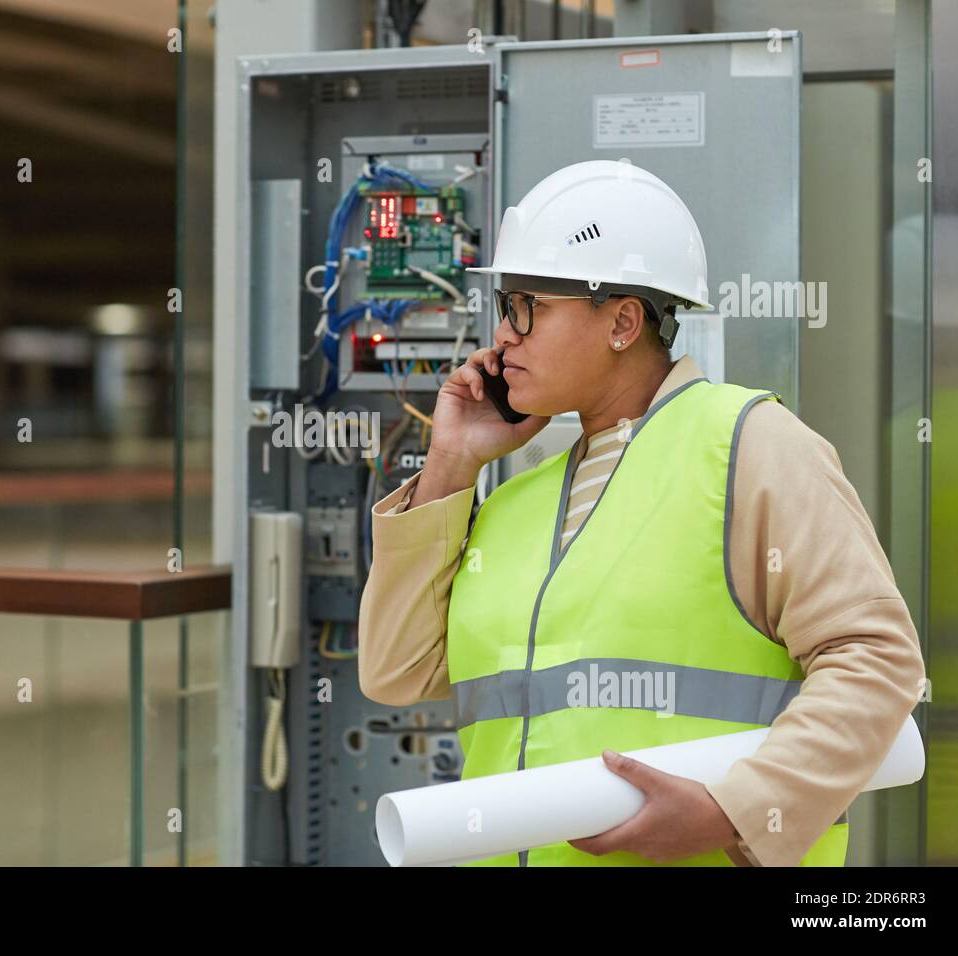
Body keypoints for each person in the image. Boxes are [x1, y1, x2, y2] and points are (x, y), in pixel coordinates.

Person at [357, 160, 925, 867]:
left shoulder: (751, 446)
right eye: (506, 306)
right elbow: (396, 674)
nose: (503, 336)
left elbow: (877, 660)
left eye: (527, 306)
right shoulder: (516, 500)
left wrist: (733, 811)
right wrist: (450, 466)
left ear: (623, 321)